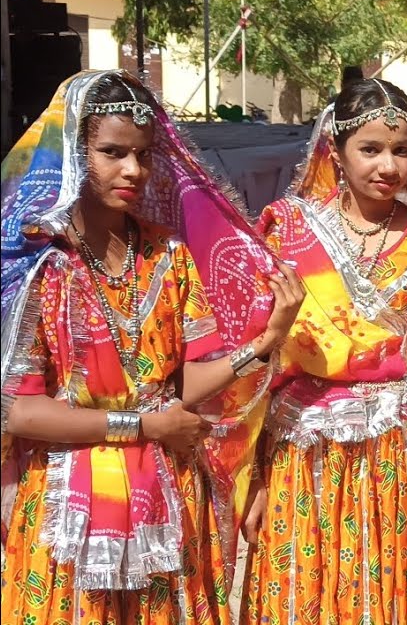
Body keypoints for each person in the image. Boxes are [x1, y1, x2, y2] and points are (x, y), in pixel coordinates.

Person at [0, 70, 304, 623]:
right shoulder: (41, 264)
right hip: (70, 507)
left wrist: (265, 342)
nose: (133, 171)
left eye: (142, 154)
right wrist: (139, 428)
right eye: (112, 152)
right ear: (74, 150)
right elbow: (17, 409)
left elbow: (180, 382)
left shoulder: (169, 254)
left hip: (166, 496)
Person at [239, 78, 407, 625]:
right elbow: (260, 362)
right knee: (302, 599)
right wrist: (254, 476)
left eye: (401, 150)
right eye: (371, 149)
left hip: (394, 451)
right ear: (335, 152)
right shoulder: (288, 230)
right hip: (300, 448)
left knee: (384, 602)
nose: (388, 165)